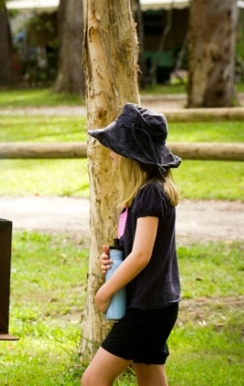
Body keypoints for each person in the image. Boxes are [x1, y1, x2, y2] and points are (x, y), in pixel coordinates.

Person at [81, 103, 182, 386]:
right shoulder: (144, 193)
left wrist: (106, 291)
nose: (111, 153)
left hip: (148, 308)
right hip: (157, 304)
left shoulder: (150, 193)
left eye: (116, 147)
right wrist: (112, 262)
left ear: (131, 153)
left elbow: (141, 256)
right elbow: (134, 251)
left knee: (92, 380)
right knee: (150, 379)